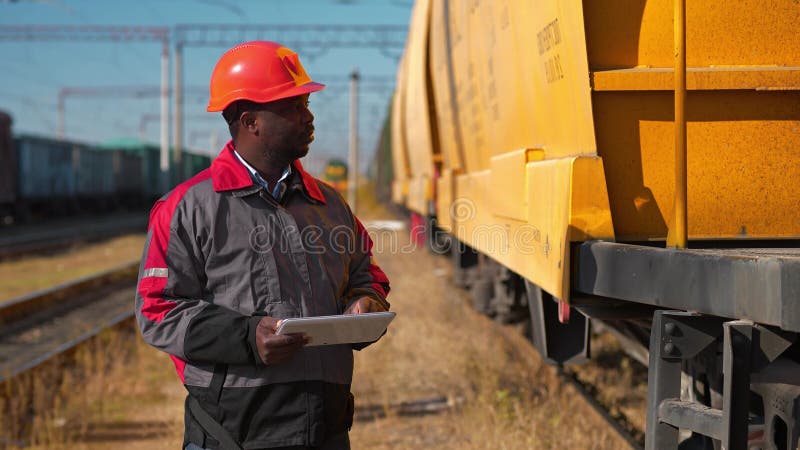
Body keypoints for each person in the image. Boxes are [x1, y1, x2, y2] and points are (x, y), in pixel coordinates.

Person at [134, 40, 391, 450]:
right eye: (294, 106)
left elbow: (368, 274)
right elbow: (157, 312)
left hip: (327, 428)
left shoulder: (330, 204)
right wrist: (248, 337)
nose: (310, 117)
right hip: (233, 434)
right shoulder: (187, 208)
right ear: (250, 120)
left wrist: (366, 303)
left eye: (306, 103)